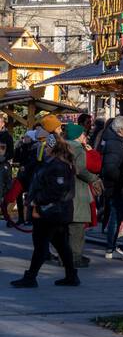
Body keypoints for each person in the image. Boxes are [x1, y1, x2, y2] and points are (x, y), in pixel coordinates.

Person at [11, 135, 79, 287]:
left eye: (47, 147)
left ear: (53, 148)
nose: (45, 149)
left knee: (41, 245)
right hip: (55, 211)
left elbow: (57, 190)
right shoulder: (52, 163)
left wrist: (37, 200)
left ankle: (30, 277)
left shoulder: (58, 166)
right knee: (61, 244)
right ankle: (71, 275)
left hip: (50, 211)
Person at [63, 123, 101, 269]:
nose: (86, 136)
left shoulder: (62, 146)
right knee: (77, 228)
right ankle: (75, 258)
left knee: (66, 228)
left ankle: (64, 257)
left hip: (64, 191)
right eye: (84, 134)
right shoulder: (78, 148)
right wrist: (94, 179)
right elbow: (80, 170)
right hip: (77, 191)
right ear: (79, 136)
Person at [97, 115, 123, 257]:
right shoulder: (114, 144)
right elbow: (111, 168)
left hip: (116, 184)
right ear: (121, 129)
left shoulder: (117, 140)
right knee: (115, 215)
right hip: (115, 185)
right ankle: (110, 246)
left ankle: (111, 246)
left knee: (116, 215)